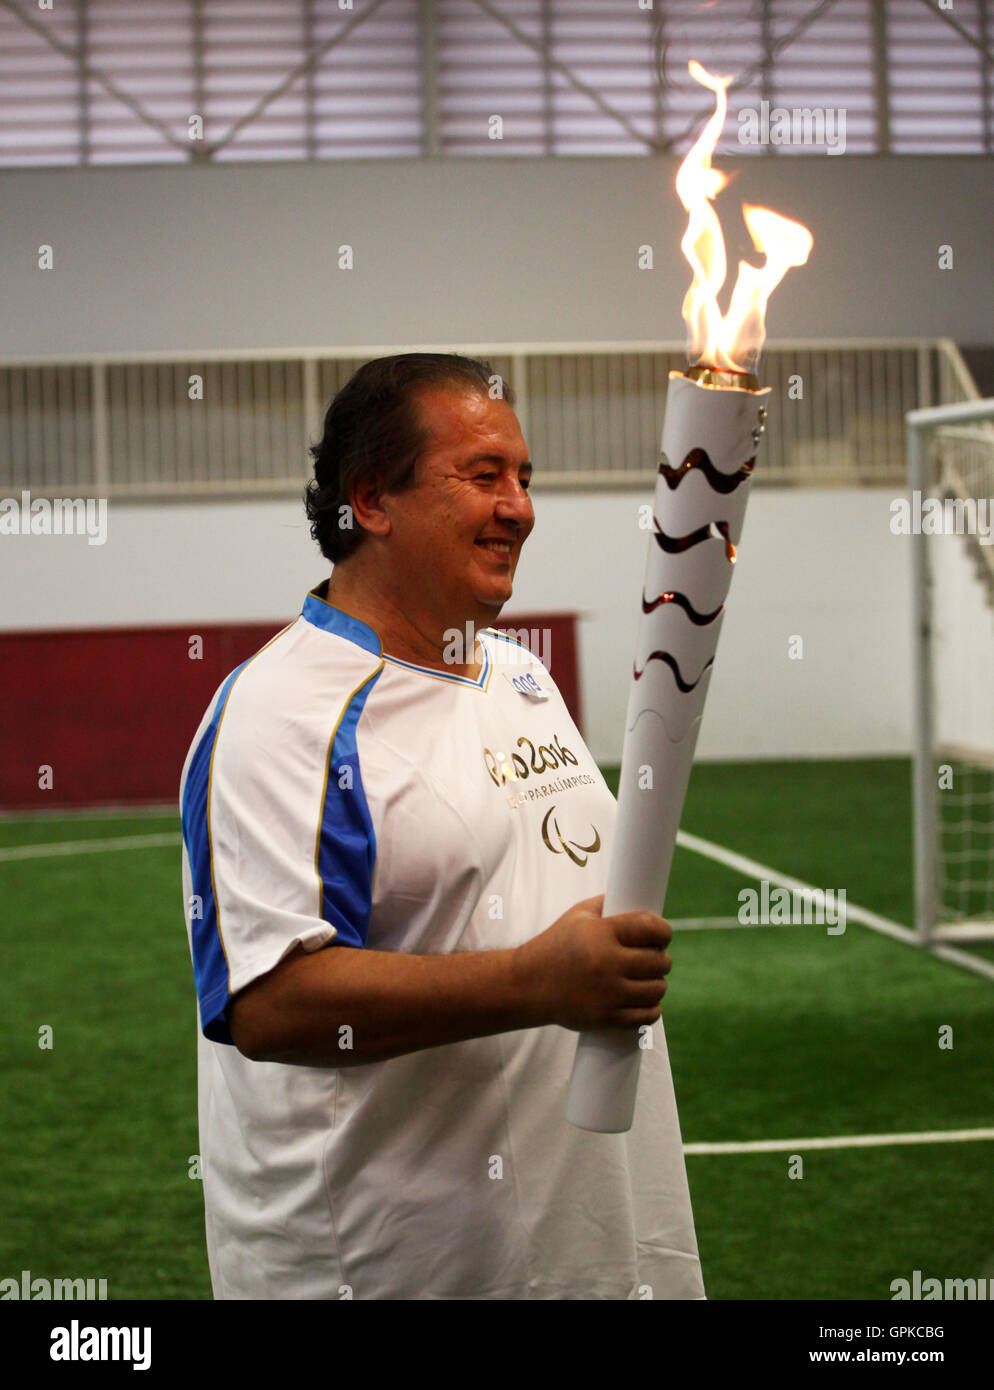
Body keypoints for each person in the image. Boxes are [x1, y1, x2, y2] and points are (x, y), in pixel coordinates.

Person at [180, 352, 705, 1300]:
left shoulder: (521, 676)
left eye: (525, 477)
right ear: (372, 501)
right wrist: (534, 980)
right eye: (483, 476)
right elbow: (267, 1004)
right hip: (394, 1265)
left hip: (584, 1242)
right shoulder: (280, 716)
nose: (520, 507)